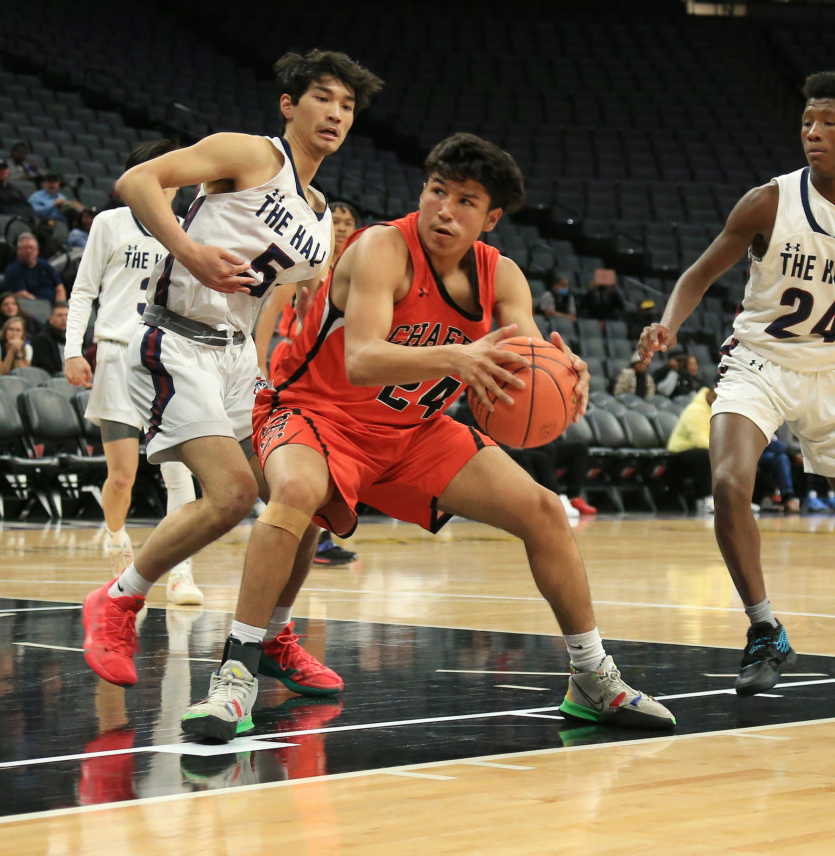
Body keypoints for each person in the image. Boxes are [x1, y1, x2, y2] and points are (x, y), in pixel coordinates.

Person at [179, 131, 675, 741]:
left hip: (413, 432)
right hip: (317, 413)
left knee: (545, 511)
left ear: (491, 218)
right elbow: (361, 358)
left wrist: (564, 374)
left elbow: (524, 360)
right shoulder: (383, 248)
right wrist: (457, 358)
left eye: (466, 201)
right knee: (297, 493)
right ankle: (236, 676)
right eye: (437, 191)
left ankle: (592, 677)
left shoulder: (504, 276)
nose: (445, 209)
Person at [81, 50, 386, 704]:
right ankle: (118, 599)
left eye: (348, 105)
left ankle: (274, 635)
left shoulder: (316, 219)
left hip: (237, 358)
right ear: (289, 104)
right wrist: (189, 250)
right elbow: (137, 181)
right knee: (228, 493)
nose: (335, 113)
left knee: (307, 491)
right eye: (322, 98)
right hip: (173, 337)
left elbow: (277, 299)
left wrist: (275, 367)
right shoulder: (248, 154)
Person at [638, 69, 835, 698]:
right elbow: (699, 273)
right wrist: (666, 323)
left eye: (829, 122)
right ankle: (764, 628)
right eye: (806, 122)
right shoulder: (768, 201)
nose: (813, 133)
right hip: (759, 362)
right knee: (727, 482)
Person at [64, 139, 202, 605]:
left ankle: (181, 572)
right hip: (118, 352)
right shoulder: (109, 223)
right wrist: (72, 350)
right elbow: (83, 291)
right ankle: (116, 537)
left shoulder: (188, 229)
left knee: (179, 472)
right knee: (122, 477)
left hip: (168, 354)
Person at [255, 199, 362, 566]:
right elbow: (271, 311)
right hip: (296, 359)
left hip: (339, 368)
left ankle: (318, 534)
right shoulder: (308, 260)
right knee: (309, 449)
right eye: (339, 221)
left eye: (350, 222)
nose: (344, 227)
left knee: (334, 454)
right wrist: (258, 367)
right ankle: (291, 523)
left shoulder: (362, 270)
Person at [667, 386, 717, 511]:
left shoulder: (718, 412)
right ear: (708, 395)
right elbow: (700, 441)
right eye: (714, 397)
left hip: (702, 449)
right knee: (706, 456)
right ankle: (706, 498)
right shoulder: (696, 410)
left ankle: (736, 500)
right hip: (680, 452)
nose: (716, 400)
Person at [3, 233, 66, 302]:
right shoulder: (13, 270)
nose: (28, 251)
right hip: (32, 307)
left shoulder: (45, 265)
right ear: (18, 250)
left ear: (37, 250)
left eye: (31, 248)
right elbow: (22, 294)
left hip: (54, 306)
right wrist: (43, 306)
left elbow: (59, 288)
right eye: (25, 248)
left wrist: (59, 305)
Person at [30, 301, 68, 374]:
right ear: (50, 318)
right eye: (59, 315)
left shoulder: (74, 339)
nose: (64, 319)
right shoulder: (41, 340)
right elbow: (46, 370)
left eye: (67, 315)